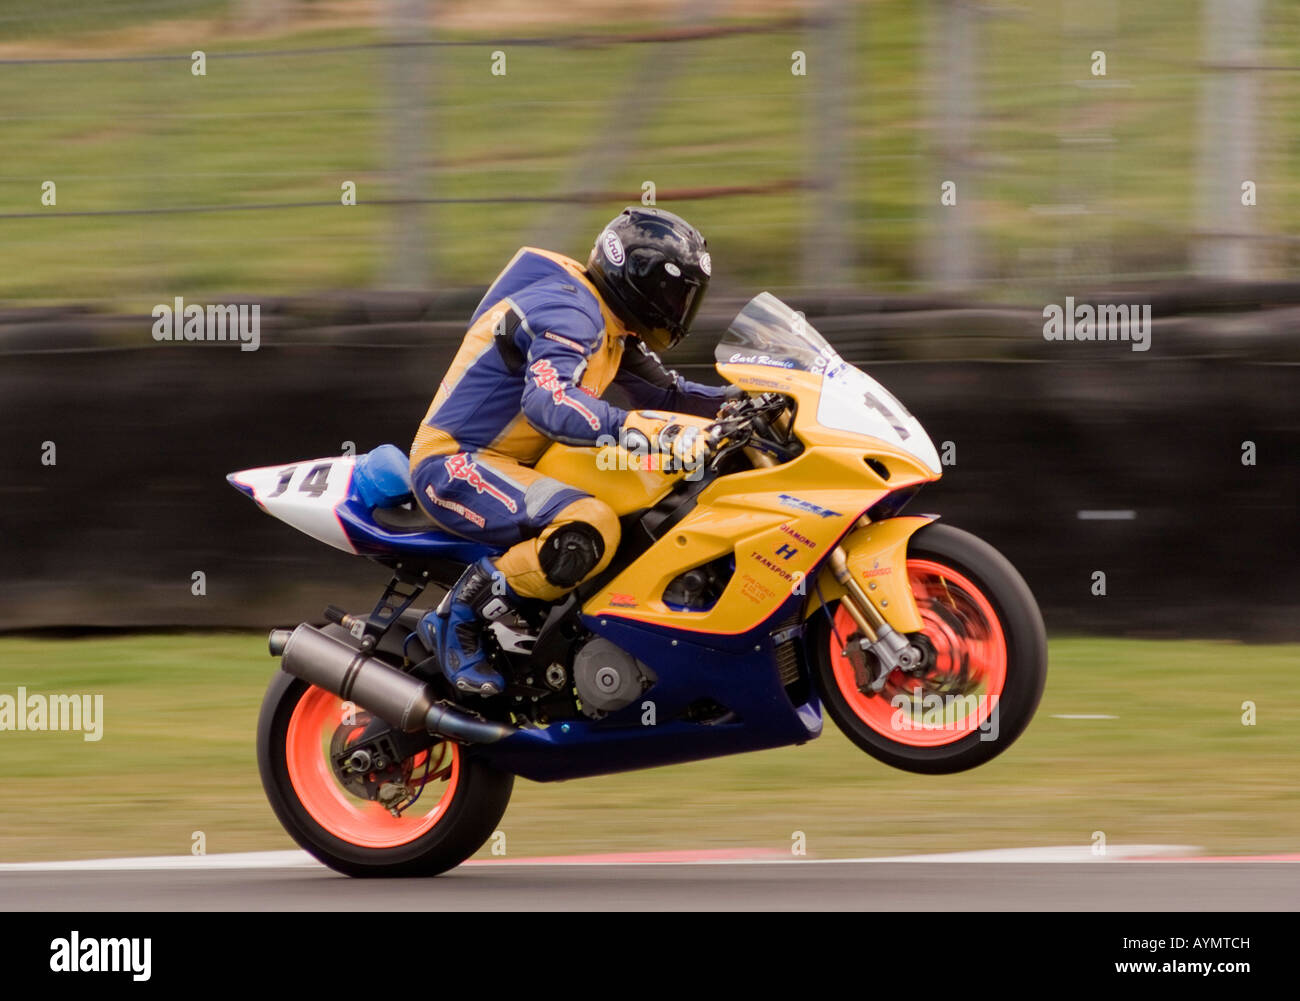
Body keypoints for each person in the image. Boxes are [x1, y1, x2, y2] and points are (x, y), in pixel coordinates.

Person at [409, 207, 737, 695]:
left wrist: (759, 402)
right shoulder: (570, 310)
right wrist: (640, 432)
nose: (678, 307)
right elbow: (549, 400)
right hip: (457, 461)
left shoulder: (610, 323)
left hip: (518, 463)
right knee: (589, 526)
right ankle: (459, 617)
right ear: (638, 279)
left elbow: (669, 395)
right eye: (673, 293)